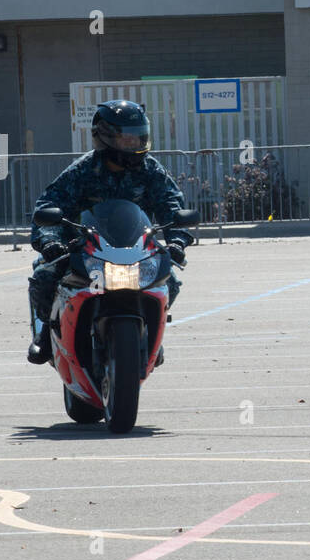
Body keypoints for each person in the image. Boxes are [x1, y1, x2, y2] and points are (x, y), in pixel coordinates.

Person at [27, 100, 191, 364]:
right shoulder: (82, 171)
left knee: (169, 282)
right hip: (88, 246)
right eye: (127, 139)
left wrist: (177, 242)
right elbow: (50, 205)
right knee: (44, 277)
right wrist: (50, 242)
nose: (134, 144)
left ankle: (151, 334)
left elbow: (172, 205)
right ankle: (46, 332)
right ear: (104, 138)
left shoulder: (151, 170)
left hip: (138, 247)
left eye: (139, 137)